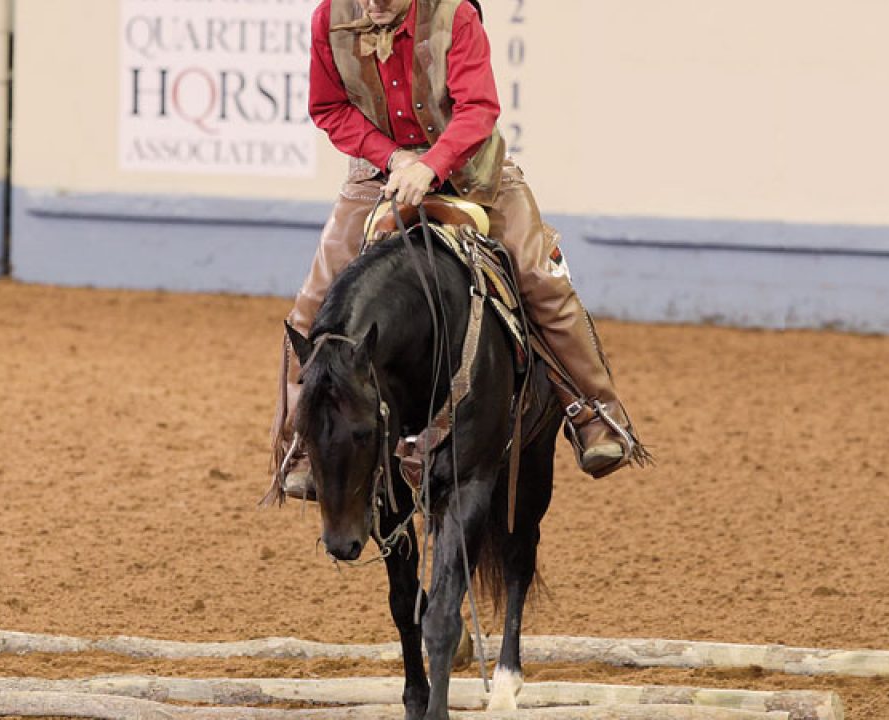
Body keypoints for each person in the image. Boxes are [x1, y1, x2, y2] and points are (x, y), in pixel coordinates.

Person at [269, 0, 646, 497]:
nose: (375, 4)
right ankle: (302, 444)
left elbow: (478, 109)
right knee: (311, 310)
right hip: (377, 176)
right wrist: (393, 156)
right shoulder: (328, 19)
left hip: (473, 171)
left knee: (539, 278)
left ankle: (595, 414)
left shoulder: (456, 15)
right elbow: (329, 108)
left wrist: (432, 164)